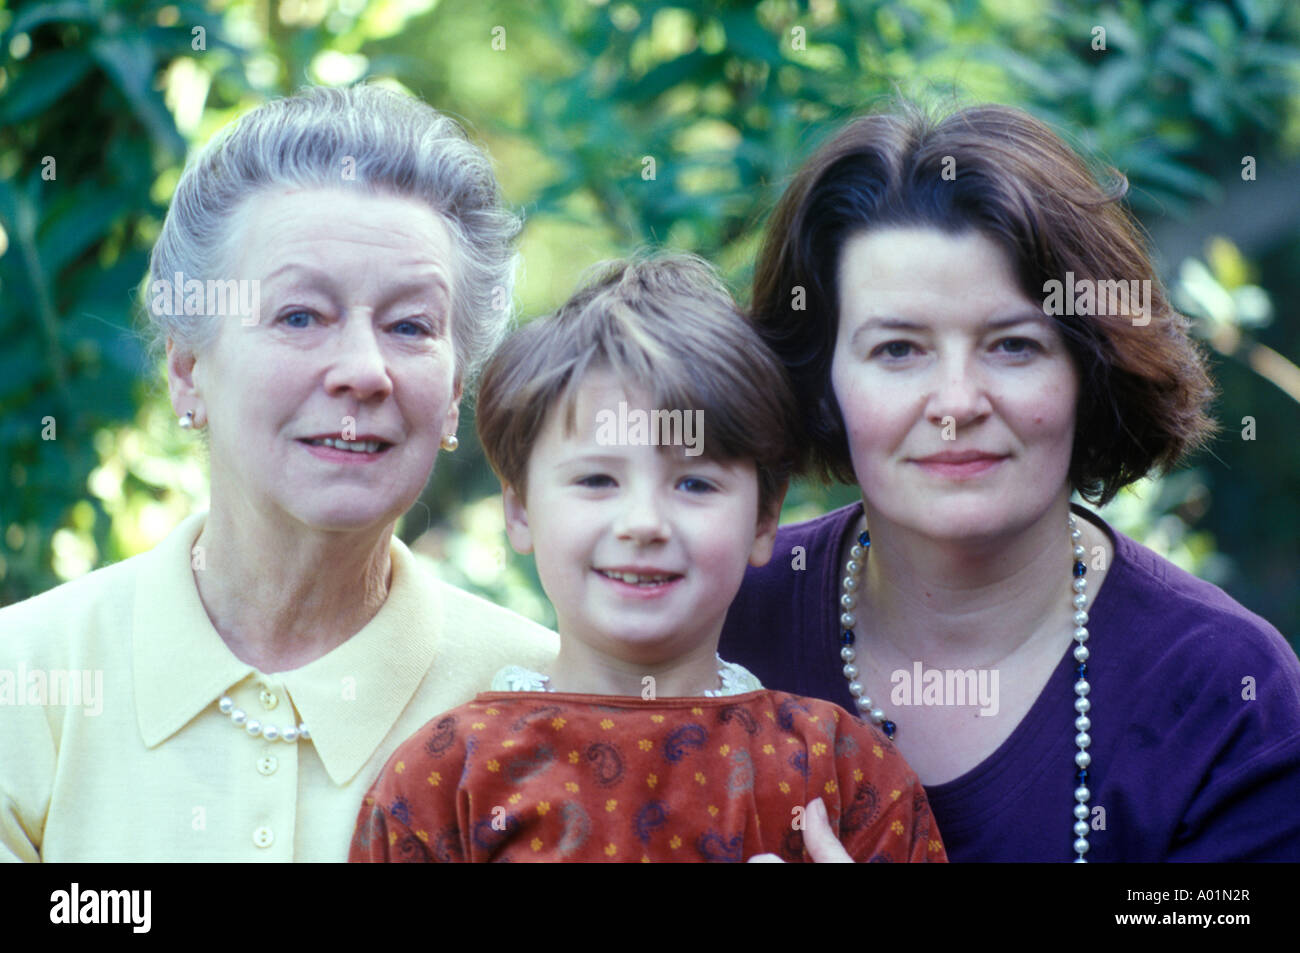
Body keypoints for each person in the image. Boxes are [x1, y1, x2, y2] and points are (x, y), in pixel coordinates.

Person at [718, 102, 1300, 862]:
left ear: (1090, 371)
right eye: (898, 349)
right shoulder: (716, 617)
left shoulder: (1227, 698)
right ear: (821, 383)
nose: (958, 402)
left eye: (1014, 345)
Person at [0, 84, 558, 861]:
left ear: (455, 390)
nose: (364, 371)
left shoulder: (541, 701)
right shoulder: (26, 681)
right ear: (189, 369)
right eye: (300, 316)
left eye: (410, 326)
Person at [348, 254, 946, 862]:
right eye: (598, 481)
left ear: (765, 519)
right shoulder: (445, 778)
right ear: (522, 510)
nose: (643, 524)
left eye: (694, 485)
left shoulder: (842, 775)